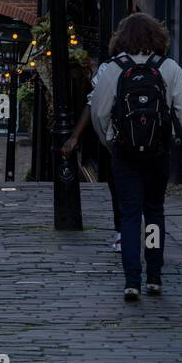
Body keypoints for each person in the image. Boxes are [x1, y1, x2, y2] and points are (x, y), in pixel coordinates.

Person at [90, 13, 182, 301]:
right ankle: (154, 274)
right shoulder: (168, 68)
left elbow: (99, 113)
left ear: (121, 37)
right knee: (153, 212)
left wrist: (110, 142)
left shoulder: (113, 70)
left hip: (125, 153)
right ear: (157, 37)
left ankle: (132, 280)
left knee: (129, 216)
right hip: (158, 153)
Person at [63, 73, 122, 251]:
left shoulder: (110, 68)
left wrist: (106, 138)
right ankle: (153, 251)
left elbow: (96, 107)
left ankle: (122, 235)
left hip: (120, 143)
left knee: (119, 190)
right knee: (153, 205)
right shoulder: (165, 66)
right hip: (156, 146)